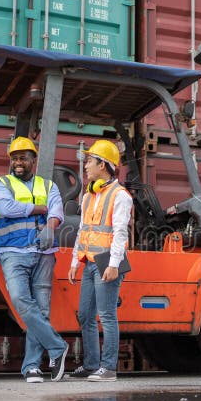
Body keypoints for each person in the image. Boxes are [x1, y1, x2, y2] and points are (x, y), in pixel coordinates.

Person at [0, 137, 69, 383]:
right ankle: (57, 346)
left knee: (42, 310)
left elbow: (57, 209)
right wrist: (39, 208)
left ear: (33, 161)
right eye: (14, 158)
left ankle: (33, 366)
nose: (18, 162)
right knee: (20, 300)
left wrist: (51, 225)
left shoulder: (49, 186)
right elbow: (7, 208)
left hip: (44, 254)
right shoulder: (2, 183)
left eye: (23, 158)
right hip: (13, 252)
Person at [68, 140, 133, 382]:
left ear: (103, 165)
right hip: (89, 261)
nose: (86, 166)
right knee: (85, 314)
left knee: (106, 315)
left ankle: (108, 368)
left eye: (90, 161)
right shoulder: (88, 195)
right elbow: (83, 230)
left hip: (108, 261)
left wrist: (114, 264)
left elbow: (120, 233)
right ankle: (91, 365)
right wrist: (75, 260)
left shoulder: (120, 196)